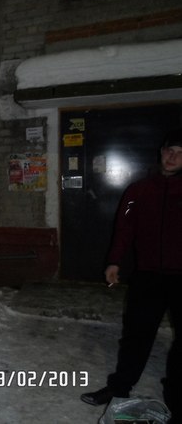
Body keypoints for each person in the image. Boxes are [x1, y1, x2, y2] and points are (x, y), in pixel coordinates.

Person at [80, 128, 182, 424]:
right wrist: (114, 261)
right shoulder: (139, 190)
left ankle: (176, 399)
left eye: (180, 153)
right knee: (135, 337)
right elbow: (124, 229)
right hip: (147, 276)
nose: (172, 157)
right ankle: (119, 388)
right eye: (169, 150)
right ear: (161, 152)